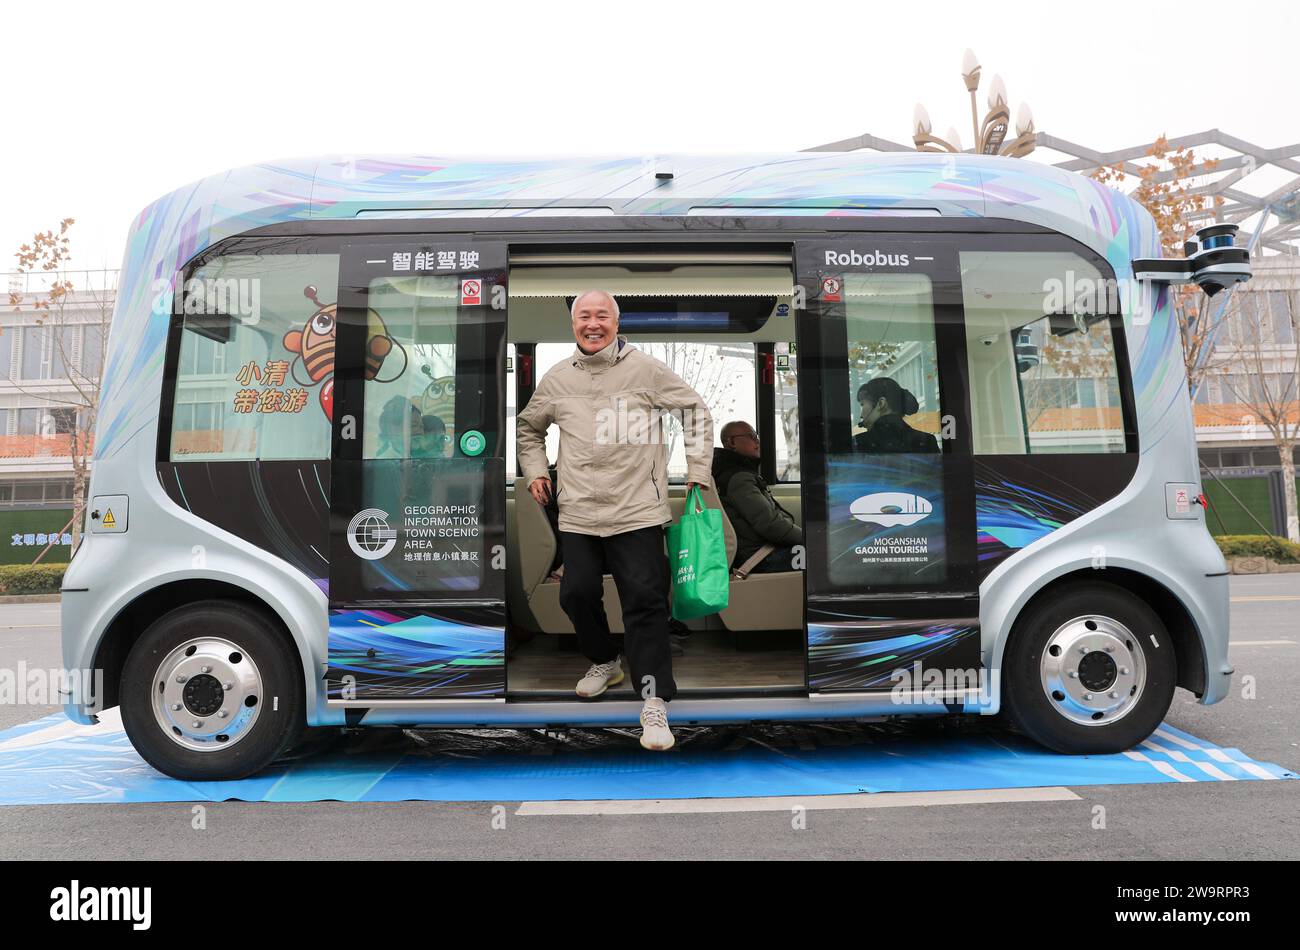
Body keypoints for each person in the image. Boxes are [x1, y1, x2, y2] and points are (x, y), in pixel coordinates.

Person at [516, 289, 713, 751]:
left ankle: (654, 704)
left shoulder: (646, 369)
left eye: (602, 315)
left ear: (616, 322)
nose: (593, 323)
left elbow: (695, 411)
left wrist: (699, 471)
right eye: (584, 315)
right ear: (573, 324)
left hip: (637, 510)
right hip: (580, 511)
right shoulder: (557, 378)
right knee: (576, 593)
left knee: (645, 605)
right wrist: (535, 472)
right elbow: (528, 428)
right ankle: (605, 659)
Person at [712, 421, 802, 573]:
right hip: (761, 558)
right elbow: (770, 525)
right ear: (732, 442)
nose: (758, 442)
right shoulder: (739, 479)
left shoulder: (728, 474)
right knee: (825, 557)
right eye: (752, 436)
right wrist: (810, 538)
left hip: (756, 553)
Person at [853, 378, 940, 454]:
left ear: (881, 404)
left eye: (863, 404)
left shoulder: (858, 442)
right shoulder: (928, 441)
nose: (861, 415)